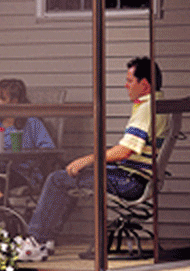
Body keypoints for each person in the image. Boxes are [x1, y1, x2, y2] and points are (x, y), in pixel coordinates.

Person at [25, 57, 169, 258]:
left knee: (57, 179)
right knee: (68, 175)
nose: (125, 85)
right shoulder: (158, 104)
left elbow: (124, 151)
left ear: (144, 84)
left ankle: (35, 243)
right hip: (136, 177)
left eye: (129, 81)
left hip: (130, 181)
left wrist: (87, 159)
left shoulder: (147, 109)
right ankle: (46, 239)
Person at [0, 78, 55, 222]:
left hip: (21, 173)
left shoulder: (31, 122)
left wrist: (26, 154)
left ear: (15, 100)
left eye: (1, 98)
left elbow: (48, 149)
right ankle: (2, 203)